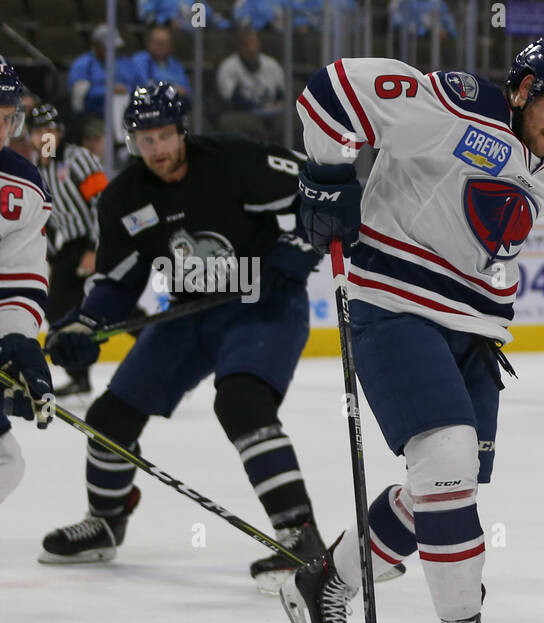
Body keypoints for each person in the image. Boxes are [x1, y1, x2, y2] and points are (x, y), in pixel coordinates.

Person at [281, 36, 544, 623]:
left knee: (444, 487)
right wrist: (327, 177)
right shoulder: (455, 104)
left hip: (477, 337)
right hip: (396, 312)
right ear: (521, 88)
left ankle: (326, 581)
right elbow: (331, 92)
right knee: (448, 463)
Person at [40, 82, 327, 594]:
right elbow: (117, 279)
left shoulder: (235, 159)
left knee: (242, 402)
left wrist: (299, 247)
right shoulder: (125, 197)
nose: (158, 150)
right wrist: (87, 323)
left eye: (165, 136)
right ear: (132, 140)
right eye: (146, 140)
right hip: (190, 312)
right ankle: (106, 521)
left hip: (263, 304)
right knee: (108, 417)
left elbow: (322, 188)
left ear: (182, 131)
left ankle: (299, 533)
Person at [0, 60, 55, 504]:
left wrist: (15, 344)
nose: (1, 129)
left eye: (6, 117)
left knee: (6, 461)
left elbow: (19, 282)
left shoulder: (21, 185)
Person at [28, 102, 108, 396]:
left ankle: (80, 374)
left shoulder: (78, 160)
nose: (44, 136)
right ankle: (79, 375)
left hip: (94, 241)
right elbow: (45, 217)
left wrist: (94, 248)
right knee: (61, 307)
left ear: (60, 132)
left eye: (50, 130)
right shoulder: (38, 170)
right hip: (69, 247)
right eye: (39, 131)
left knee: (110, 303)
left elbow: (104, 204)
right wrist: (46, 254)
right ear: (31, 136)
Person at [216, 27, 286, 139]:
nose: (251, 46)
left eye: (254, 42)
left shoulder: (272, 64)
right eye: (246, 43)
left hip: (272, 112)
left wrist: (277, 104)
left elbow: (282, 94)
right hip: (243, 112)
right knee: (246, 123)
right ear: (239, 45)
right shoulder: (228, 67)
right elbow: (232, 98)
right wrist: (259, 107)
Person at [68, 25, 137, 118]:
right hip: (95, 116)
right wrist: (110, 90)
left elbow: (138, 84)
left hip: (127, 112)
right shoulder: (83, 65)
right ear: (97, 45)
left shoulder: (125, 62)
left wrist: (127, 89)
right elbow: (79, 96)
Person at [130, 26, 192, 94]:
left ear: (170, 46)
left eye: (163, 43)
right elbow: (143, 84)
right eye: (155, 42)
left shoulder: (175, 64)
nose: (158, 46)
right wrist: (172, 88)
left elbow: (186, 89)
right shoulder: (140, 59)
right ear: (148, 43)